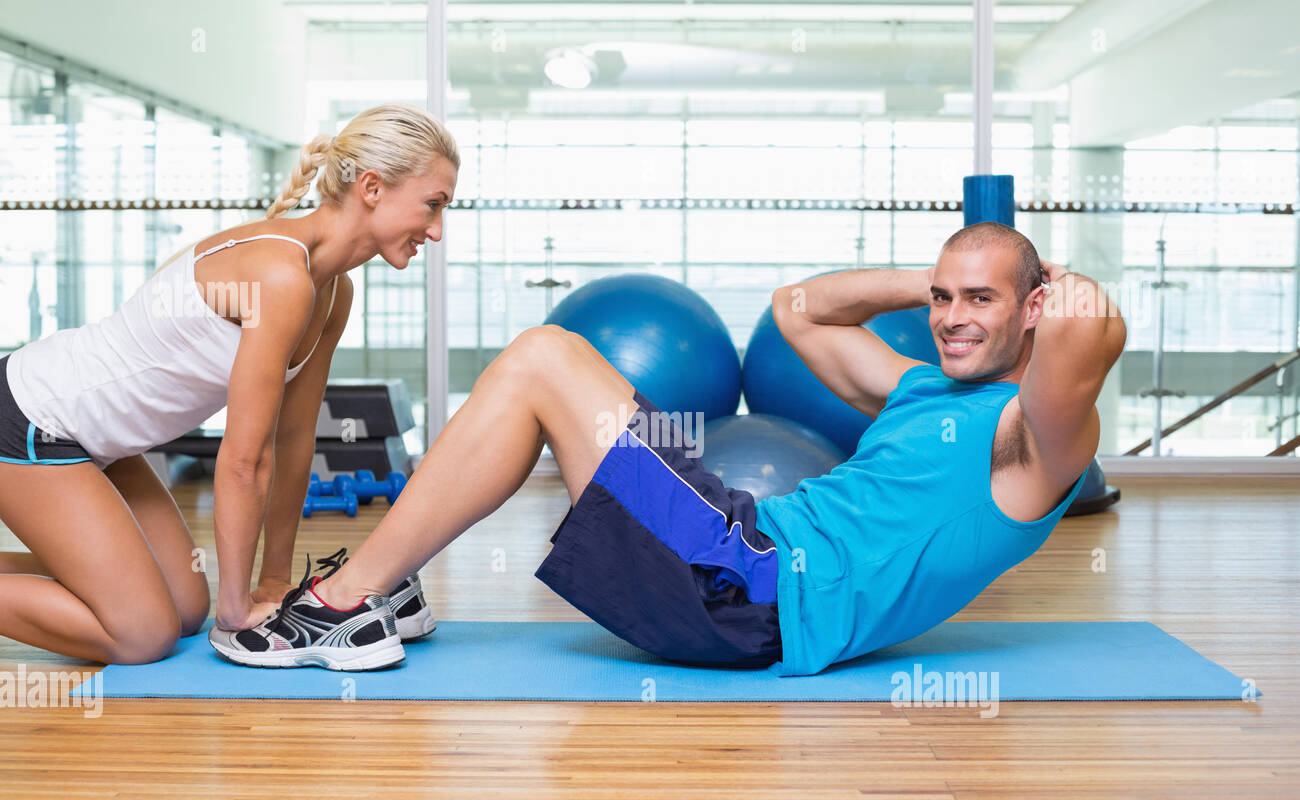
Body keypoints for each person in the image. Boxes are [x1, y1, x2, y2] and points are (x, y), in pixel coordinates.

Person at [210, 220, 1127, 677]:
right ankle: (384, 588)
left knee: (543, 360)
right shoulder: (921, 383)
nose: (952, 320)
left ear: (1033, 307)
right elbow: (797, 310)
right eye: (943, 299)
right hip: (740, 547)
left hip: (760, 595)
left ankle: (344, 601)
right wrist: (942, 276)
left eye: (982, 301)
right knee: (544, 364)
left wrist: (1048, 291)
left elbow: (1088, 331)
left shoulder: (1028, 442)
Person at [0, 103, 455, 666]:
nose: (436, 230)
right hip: (35, 419)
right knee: (143, 634)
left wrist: (273, 585)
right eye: (433, 205)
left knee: (183, 605)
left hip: (105, 444)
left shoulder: (333, 291)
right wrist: (237, 614)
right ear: (371, 187)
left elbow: (293, 442)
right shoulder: (278, 275)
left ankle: (100, 574)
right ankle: (108, 582)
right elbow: (245, 459)